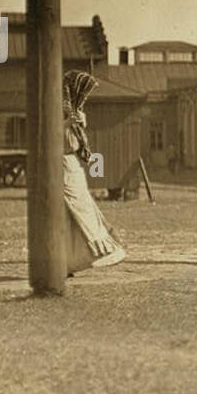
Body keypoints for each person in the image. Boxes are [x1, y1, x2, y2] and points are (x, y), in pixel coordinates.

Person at [61, 71, 125, 275]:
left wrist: (79, 122)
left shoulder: (77, 111)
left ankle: (74, 260)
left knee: (82, 211)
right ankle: (63, 261)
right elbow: (52, 134)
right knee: (70, 212)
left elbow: (79, 139)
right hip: (61, 163)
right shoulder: (59, 110)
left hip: (73, 165)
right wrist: (69, 123)